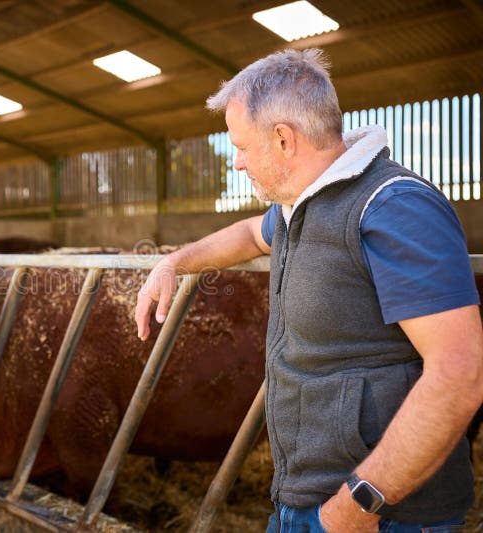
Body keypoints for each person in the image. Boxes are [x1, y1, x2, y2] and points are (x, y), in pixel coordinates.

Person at [134, 48, 483, 532]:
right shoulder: (300, 207)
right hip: (306, 499)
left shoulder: (394, 207)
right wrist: (174, 262)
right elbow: (248, 233)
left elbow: (460, 375)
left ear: (282, 140)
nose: (236, 163)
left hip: (382, 514)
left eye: (241, 146)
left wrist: (357, 505)